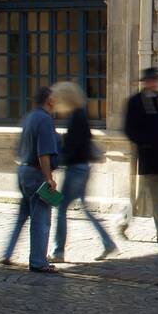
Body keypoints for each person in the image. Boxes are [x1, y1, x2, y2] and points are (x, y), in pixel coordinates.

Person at [50, 81, 118, 263]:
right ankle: (108, 243)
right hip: (82, 168)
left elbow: (75, 147)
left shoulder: (76, 118)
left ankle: (58, 251)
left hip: (75, 169)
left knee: (61, 208)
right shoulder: (80, 115)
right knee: (85, 209)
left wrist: (57, 157)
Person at [0, 85, 60, 273]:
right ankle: (38, 262)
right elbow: (44, 153)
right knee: (41, 219)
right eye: (54, 98)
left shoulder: (29, 117)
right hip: (36, 173)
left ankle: (7, 254)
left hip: (23, 171)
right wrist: (48, 178)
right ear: (49, 100)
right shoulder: (45, 120)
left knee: (22, 216)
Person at [120, 68, 158, 245]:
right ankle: (125, 223)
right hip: (147, 158)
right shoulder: (136, 102)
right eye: (152, 80)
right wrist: (145, 144)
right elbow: (129, 129)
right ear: (146, 82)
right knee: (140, 197)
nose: (155, 83)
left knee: (157, 197)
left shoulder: (156, 100)